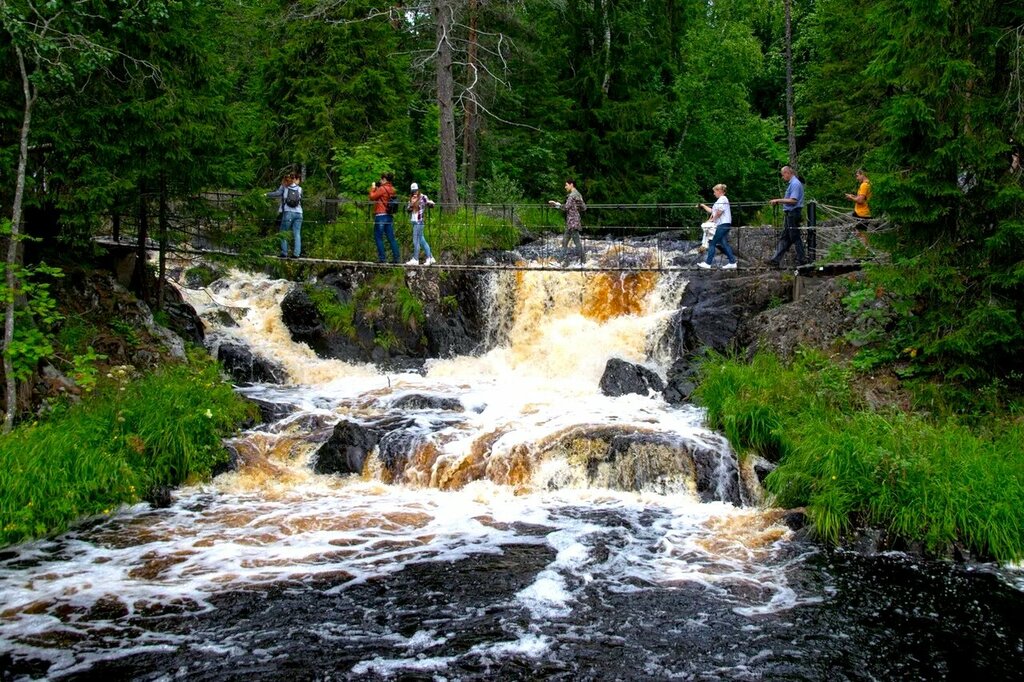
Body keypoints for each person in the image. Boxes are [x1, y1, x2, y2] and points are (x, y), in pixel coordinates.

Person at [768, 165, 806, 267]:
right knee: (785, 237)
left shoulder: (795, 184)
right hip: (790, 214)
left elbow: (793, 200)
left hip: (793, 213)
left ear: (787, 173)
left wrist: (778, 200)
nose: (782, 177)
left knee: (794, 237)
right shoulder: (793, 183)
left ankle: (802, 260)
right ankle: (775, 260)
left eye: (783, 175)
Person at [697, 184, 737, 270]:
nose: (714, 193)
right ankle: (732, 262)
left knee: (712, 242)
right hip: (724, 224)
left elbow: (719, 212)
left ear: (719, 191)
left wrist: (712, 220)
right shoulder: (720, 200)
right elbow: (713, 211)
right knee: (724, 243)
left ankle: (708, 263)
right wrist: (703, 206)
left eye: (714, 191)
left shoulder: (723, 199)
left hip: (723, 224)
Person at [548, 179, 586, 266]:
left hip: (572, 222)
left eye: (566, 185)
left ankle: (584, 262)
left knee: (577, 243)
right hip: (573, 222)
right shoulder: (578, 194)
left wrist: (556, 204)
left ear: (571, 184)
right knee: (565, 242)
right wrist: (576, 208)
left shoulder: (572, 195)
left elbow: (566, 207)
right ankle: (559, 262)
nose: (565, 187)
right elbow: (584, 207)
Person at [266, 173, 303, 258]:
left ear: (285, 181)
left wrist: (266, 194)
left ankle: (284, 252)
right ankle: (296, 254)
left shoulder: (284, 187)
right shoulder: (300, 189)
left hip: (288, 213)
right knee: (297, 233)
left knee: (283, 232)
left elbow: (277, 193)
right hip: (299, 213)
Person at [369, 172, 400, 263]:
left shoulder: (382, 189)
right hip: (389, 215)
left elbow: (372, 197)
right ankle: (396, 258)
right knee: (391, 238)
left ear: (385, 180)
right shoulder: (392, 189)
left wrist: (373, 188)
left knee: (378, 237)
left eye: (381, 179)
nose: (380, 181)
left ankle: (382, 259)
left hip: (380, 215)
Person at [406, 182, 436, 265]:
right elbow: (408, 210)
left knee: (415, 240)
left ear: (418, 189)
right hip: (413, 221)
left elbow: (431, 205)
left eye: (415, 190)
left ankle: (415, 259)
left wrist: (431, 204)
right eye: (413, 191)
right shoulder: (411, 198)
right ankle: (430, 257)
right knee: (422, 241)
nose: (414, 192)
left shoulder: (423, 197)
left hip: (419, 222)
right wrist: (412, 204)